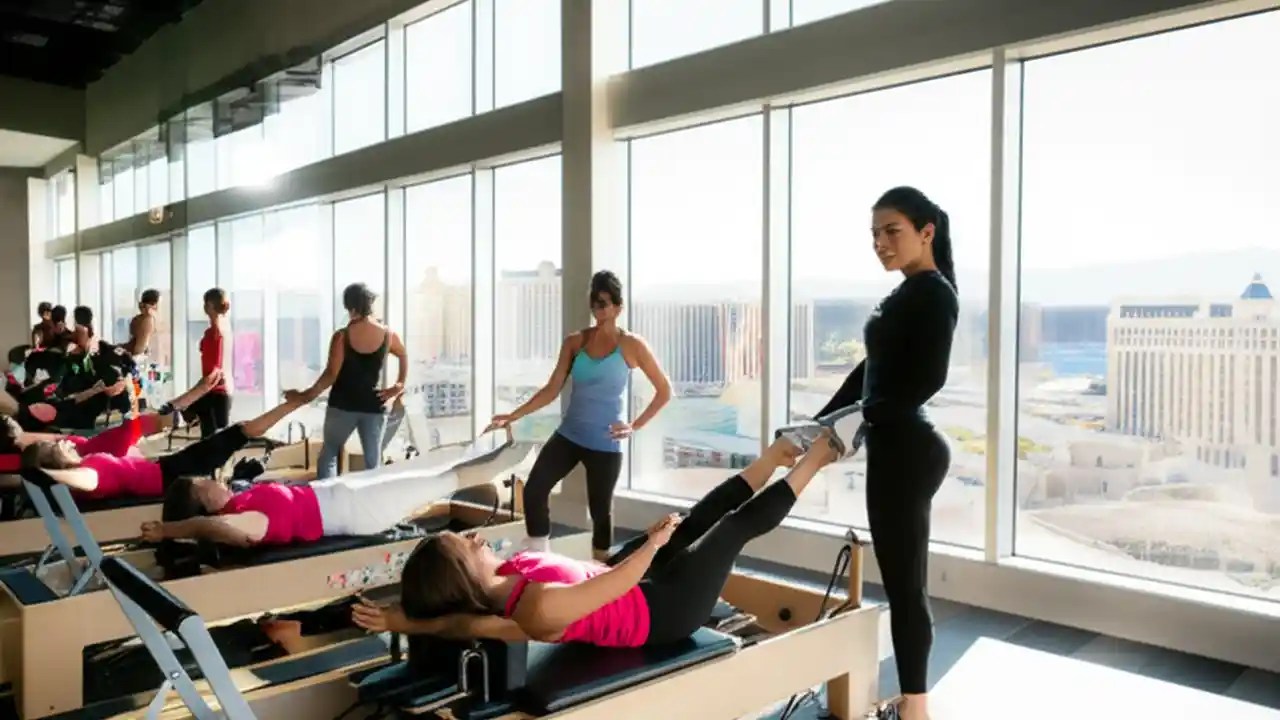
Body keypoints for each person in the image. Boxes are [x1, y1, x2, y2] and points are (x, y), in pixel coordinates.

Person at [349, 425, 860, 651]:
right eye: (466, 546)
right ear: (461, 573)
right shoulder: (535, 612)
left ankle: (775, 457)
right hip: (663, 614)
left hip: (634, 583)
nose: (477, 540)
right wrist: (655, 544)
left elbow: (457, 624)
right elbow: (615, 588)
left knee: (700, 515)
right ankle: (819, 455)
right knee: (730, 530)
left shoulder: (501, 587)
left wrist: (399, 618)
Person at [806, 186, 959, 720]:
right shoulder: (905, 293)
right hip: (896, 449)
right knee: (900, 580)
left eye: (891, 231)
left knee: (905, 586)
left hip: (909, 453)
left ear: (926, 232)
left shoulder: (934, 293)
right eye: (874, 234)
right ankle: (910, 703)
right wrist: (822, 419)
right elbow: (868, 373)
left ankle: (914, 708)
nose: (880, 243)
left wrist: (862, 418)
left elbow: (926, 380)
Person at [485, 270, 671, 561]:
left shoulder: (632, 346)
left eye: (606, 302)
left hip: (605, 442)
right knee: (534, 489)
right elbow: (551, 389)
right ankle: (538, 555)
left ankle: (600, 569)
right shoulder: (576, 342)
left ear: (619, 307)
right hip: (570, 434)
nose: (600, 309)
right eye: (595, 303)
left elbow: (664, 391)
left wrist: (634, 426)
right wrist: (513, 415)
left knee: (600, 510)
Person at [142, 431, 533, 548]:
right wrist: (175, 530)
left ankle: (512, 449)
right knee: (442, 482)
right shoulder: (241, 521)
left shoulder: (240, 498)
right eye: (204, 484)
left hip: (340, 492)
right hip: (358, 511)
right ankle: (522, 451)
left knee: (429, 469)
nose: (212, 480)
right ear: (203, 505)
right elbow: (216, 531)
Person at [21, 379, 289, 503]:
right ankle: (295, 404)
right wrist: (49, 474)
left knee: (237, 433)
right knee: (238, 432)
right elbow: (86, 480)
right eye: (58, 447)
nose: (64, 443)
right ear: (58, 463)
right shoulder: (90, 471)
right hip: (170, 475)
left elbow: (25, 439)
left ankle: (294, 404)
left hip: (164, 466)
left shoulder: (84, 451)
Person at [284, 283, 407, 479]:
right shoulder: (387, 334)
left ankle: (329, 501)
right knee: (373, 463)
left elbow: (330, 375)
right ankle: (371, 506)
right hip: (373, 406)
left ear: (349, 307)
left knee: (329, 455)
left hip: (342, 406)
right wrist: (399, 384)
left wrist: (304, 396)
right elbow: (402, 354)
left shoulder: (342, 337)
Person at [182, 288, 233, 438]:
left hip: (215, 391)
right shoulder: (224, 329)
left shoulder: (215, 333)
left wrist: (197, 391)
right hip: (222, 390)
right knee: (214, 438)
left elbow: (213, 369)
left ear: (209, 305)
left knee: (212, 439)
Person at [124, 289, 161, 359]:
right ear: (154, 304)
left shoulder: (137, 318)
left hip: (132, 355)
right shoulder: (148, 320)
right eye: (159, 303)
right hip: (139, 359)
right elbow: (140, 348)